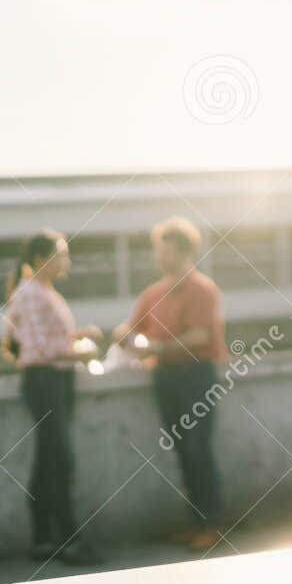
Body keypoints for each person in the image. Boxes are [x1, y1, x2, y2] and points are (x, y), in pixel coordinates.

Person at [114, 217, 228, 552]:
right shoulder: (154, 293)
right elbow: (128, 328)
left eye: (166, 252)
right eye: (159, 251)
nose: (160, 258)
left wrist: (158, 347)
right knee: (181, 450)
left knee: (198, 449)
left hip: (195, 375)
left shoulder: (202, 289)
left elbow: (201, 336)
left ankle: (211, 523)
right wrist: (125, 337)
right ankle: (195, 522)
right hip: (165, 377)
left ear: (185, 252)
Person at [0, 229, 104, 566]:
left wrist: (77, 337)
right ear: (42, 259)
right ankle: (68, 539)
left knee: (48, 460)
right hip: (45, 380)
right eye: (61, 254)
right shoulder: (31, 293)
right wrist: (82, 354)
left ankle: (44, 539)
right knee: (60, 459)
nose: (66, 261)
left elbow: (42, 339)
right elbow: (44, 349)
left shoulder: (40, 291)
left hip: (52, 380)